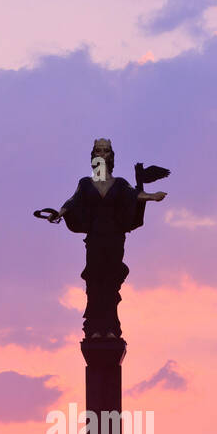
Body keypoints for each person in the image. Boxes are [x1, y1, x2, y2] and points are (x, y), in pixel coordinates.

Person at [49, 139, 167, 337]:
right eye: (98, 150)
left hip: (114, 238)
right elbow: (73, 200)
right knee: (95, 280)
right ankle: (94, 328)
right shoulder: (85, 183)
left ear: (111, 156)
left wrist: (152, 196)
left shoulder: (119, 183)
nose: (102, 154)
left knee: (111, 282)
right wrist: (58, 213)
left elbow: (134, 194)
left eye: (105, 151)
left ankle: (111, 328)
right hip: (94, 238)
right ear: (93, 155)